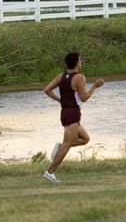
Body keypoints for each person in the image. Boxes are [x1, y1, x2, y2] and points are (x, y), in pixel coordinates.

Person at [41, 51, 104, 183]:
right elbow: (84, 98)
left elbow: (47, 90)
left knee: (85, 138)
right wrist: (95, 86)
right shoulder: (79, 78)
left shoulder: (61, 76)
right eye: (80, 60)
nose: (81, 63)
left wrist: (60, 100)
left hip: (64, 112)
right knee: (67, 144)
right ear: (76, 63)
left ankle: (60, 148)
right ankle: (49, 172)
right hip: (72, 114)